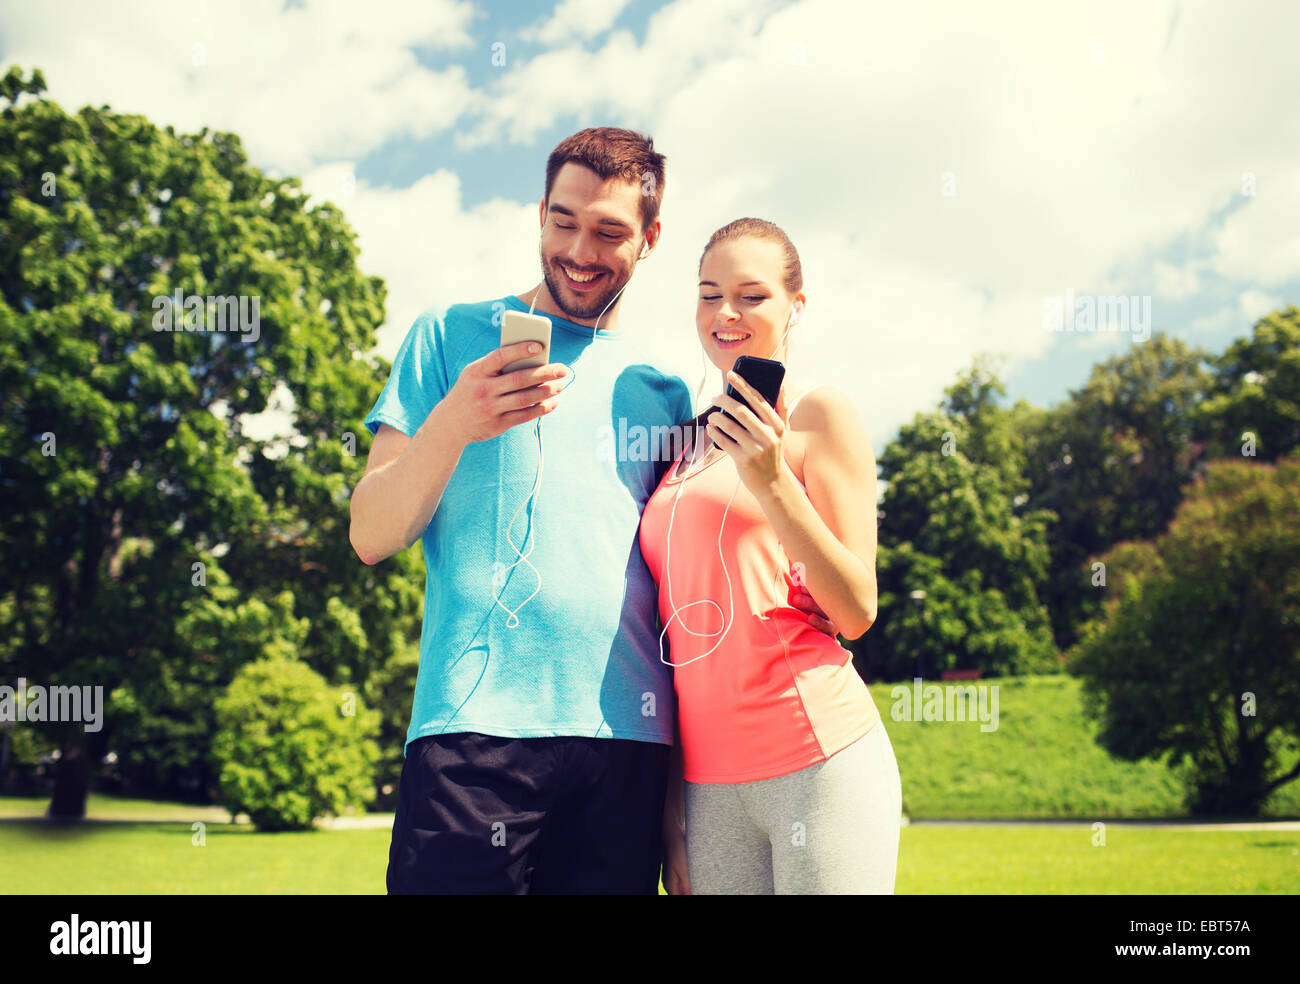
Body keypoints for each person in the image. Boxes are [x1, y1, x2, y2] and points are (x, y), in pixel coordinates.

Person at [350, 130, 840, 894]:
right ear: (540, 214)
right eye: (564, 221)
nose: (580, 249)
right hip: (474, 738)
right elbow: (372, 534)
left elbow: (678, 609)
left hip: (627, 752)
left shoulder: (663, 393)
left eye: (610, 231)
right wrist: (457, 420)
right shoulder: (445, 338)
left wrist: (674, 812)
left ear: (648, 240)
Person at [640, 217, 902, 894]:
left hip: (818, 762)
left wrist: (772, 475)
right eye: (708, 293)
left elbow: (856, 608)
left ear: (795, 305)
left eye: (752, 296)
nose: (725, 312)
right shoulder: (683, 447)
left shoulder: (819, 416)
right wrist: (672, 814)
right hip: (706, 787)